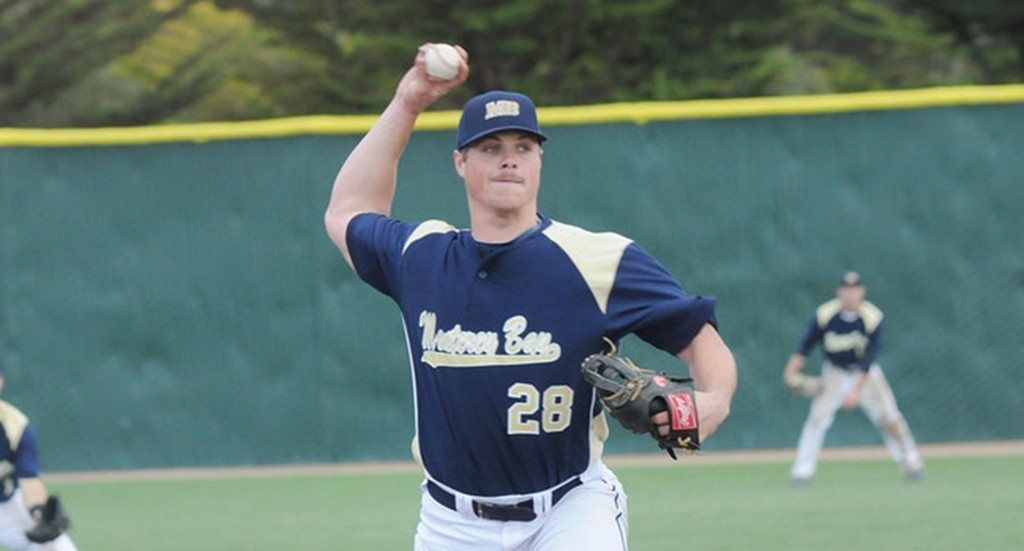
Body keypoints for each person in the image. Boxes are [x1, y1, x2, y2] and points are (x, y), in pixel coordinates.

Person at [324, 44, 737, 550]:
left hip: (568, 508)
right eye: (490, 147)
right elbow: (348, 209)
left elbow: (700, 338)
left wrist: (712, 400)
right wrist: (407, 103)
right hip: (450, 522)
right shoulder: (420, 256)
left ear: (540, 159)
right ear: (460, 161)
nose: (508, 161)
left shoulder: (598, 259)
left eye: (523, 147)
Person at [782, 271, 924, 484]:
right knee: (816, 420)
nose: (851, 293)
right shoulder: (825, 315)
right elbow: (805, 346)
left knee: (890, 418)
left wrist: (856, 391)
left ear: (862, 291)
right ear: (839, 291)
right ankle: (802, 471)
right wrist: (789, 372)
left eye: (855, 288)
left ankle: (912, 465)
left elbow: (869, 359)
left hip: (866, 375)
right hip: (834, 373)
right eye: (846, 288)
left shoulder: (872, 317)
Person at [0, 363, 77, 551]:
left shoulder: (15, 426)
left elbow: (30, 482)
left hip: (4, 506)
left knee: (55, 546)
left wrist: (39, 514)